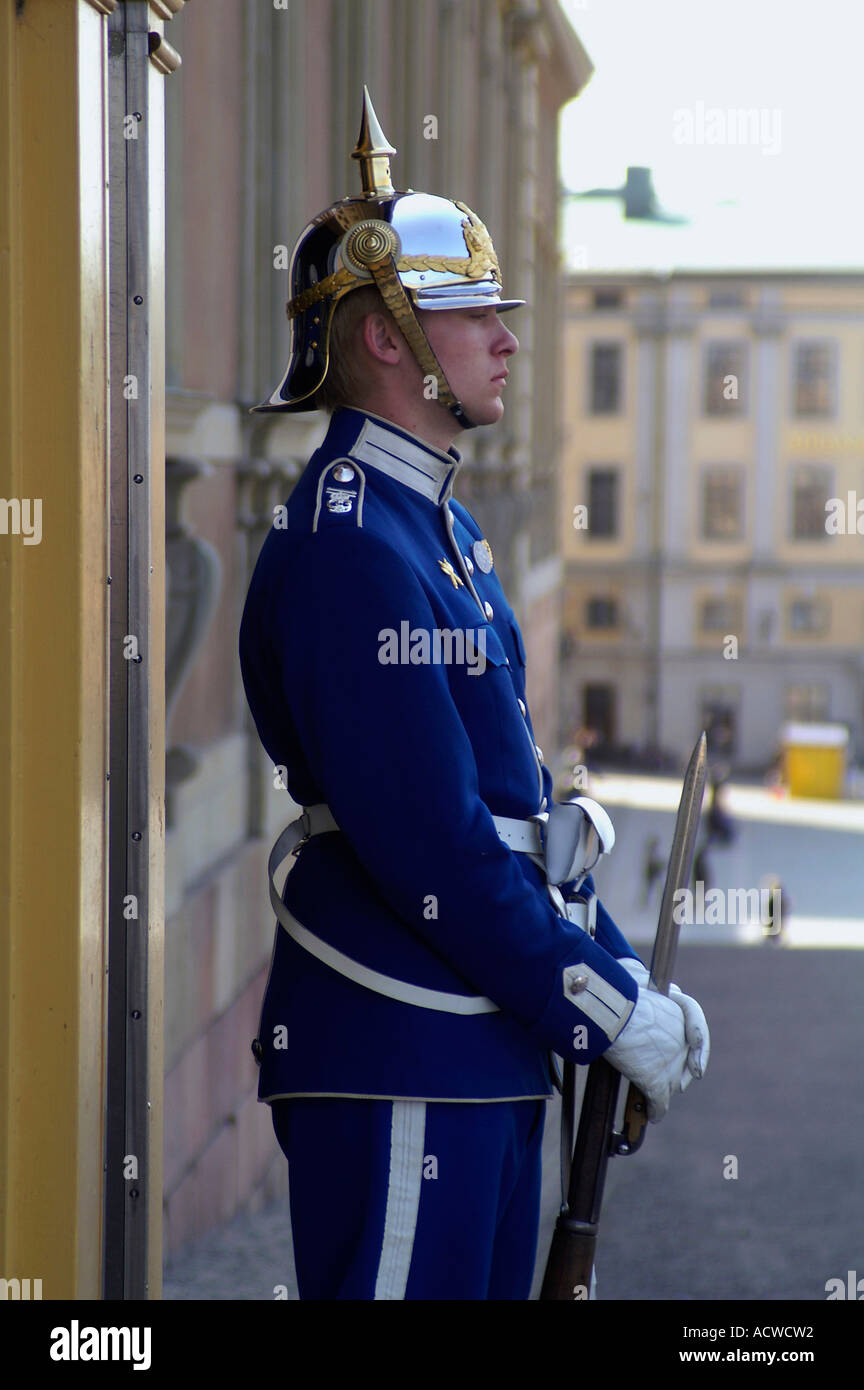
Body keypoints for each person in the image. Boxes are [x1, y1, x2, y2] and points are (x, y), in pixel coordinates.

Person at [239, 91, 709, 1301]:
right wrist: (603, 1006)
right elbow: (432, 844)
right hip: (404, 1041)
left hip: (480, 1039)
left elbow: (519, 821)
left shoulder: (433, 525)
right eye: (472, 314)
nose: (506, 338)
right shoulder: (355, 542)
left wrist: (616, 972)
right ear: (387, 336)